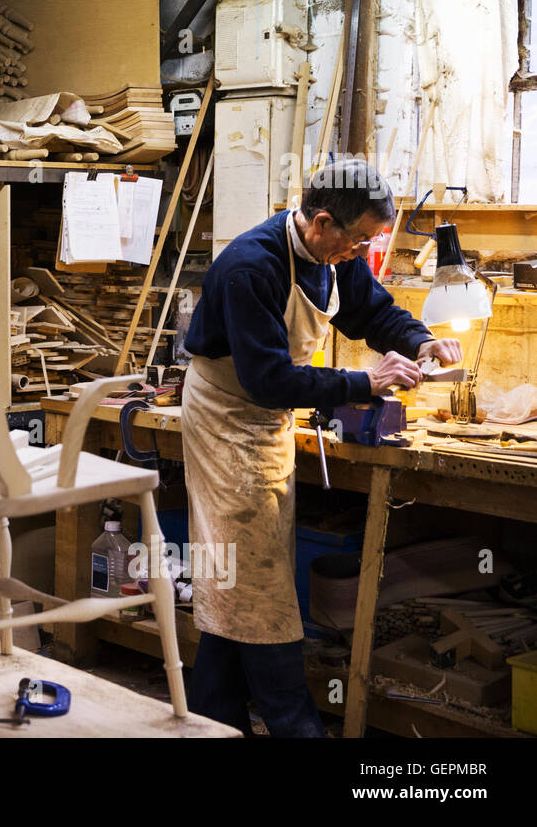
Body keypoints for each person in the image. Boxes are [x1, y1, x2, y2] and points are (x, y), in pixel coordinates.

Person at [179, 159, 463, 736]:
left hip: (268, 423)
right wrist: (365, 383)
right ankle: (293, 724)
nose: (362, 253)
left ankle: (214, 715)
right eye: (358, 240)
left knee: (236, 578)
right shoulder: (249, 266)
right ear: (323, 222)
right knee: (256, 584)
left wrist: (420, 339)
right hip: (226, 418)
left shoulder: (339, 257)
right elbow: (268, 380)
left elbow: (372, 311)